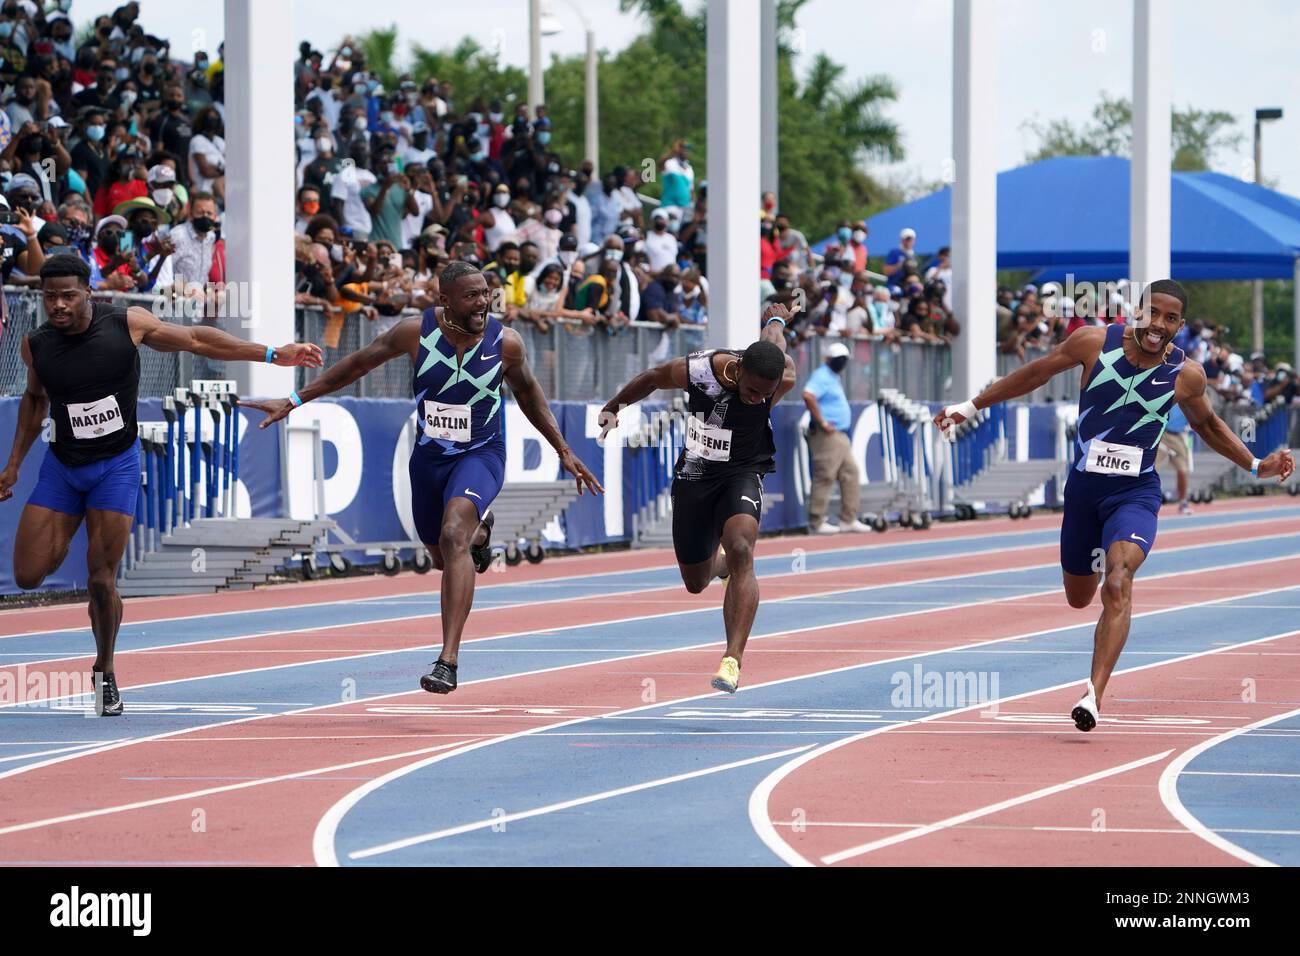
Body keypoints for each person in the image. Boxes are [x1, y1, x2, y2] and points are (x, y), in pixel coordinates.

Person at [933, 280, 1295, 732]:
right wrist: (970, 406)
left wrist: (1255, 462)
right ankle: (1098, 594)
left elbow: (1208, 424)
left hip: (1135, 494)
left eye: (1170, 319)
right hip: (1085, 493)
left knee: (1118, 581)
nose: (1158, 325)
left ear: (1179, 326)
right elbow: (1036, 373)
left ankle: (1093, 693)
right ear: (1136, 312)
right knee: (1079, 596)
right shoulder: (1093, 342)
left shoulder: (1187, 375)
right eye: (1152, 313)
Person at [239, 262, 602, 695]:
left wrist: (563, 449)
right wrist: (296, 398)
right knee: (442, 557)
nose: (483, 302)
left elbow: (529, 397)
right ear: (444, 300)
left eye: (486, 293)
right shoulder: (415, 333)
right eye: (471, 295)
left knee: (453, 535)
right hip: (429, 459)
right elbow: (356, 365)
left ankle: (447, 660)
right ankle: (482, 537)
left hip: (481, 454)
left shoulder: (506, 343)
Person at [0, 256, 323, 716]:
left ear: (88, 291)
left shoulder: (126, 323)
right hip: (64, 466)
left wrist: (272, 354)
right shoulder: (37, 345)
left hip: (116, 465)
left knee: (99, 577)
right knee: (30, 574)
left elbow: (196, 340)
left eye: (68, 295)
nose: (59, 305)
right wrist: (13, 465)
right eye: (50, 296)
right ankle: (68, 535)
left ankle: (105, 670)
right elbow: (35, 398)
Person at [597, 303, 799, 695]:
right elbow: (653, 377)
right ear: (738, 370)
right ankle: (718, 567)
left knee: (742, 548)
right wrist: (613, 407)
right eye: (753, 391)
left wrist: (776, 318)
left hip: (743, 470)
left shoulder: (781, 372)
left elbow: (774, 338)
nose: (758, 400)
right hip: (695, 474)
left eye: (767, 394)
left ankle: (732, 659)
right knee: (694, 582)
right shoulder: (700, 370)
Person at [803, 342, 871, 534]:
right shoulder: (822, 375)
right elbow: (808, 395)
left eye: (844, 360)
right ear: (828, 359)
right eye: (838, 359)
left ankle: (848, 518)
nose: (842, 363)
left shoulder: (832, 376)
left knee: (851, 472)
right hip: (827, 434)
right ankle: (816, 521)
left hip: (839, 434)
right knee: (825, 475)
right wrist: (823, 422)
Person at [1155, 401, 1193, 514]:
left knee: (1183, 471)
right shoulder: (1168, 391)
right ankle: (1150, 501)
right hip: (1162, 434)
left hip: (1179, 437)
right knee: (1152, 469)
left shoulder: (1189, 398)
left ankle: (1183, 502)